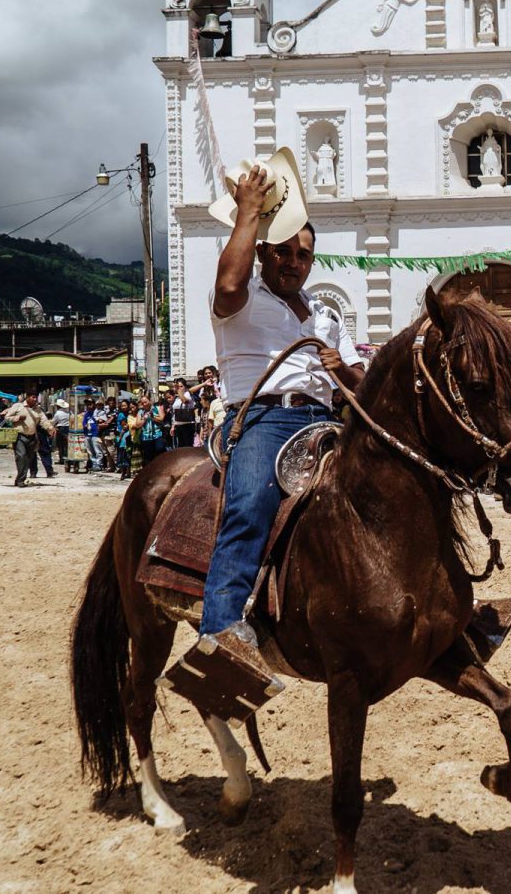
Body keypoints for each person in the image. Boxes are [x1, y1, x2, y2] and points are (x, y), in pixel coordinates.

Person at [169, 163, 366, 710]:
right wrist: (249, 211)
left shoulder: (327, 316)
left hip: (328, 424)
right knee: (251, 503)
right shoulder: (239, 298)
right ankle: (222, 636)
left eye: (303, 255)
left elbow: (363, 385)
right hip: (262, 419)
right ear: (263, 252)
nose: (294, 263)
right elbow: (227, 283)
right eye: (283, 252)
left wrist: (343, 371)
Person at [2, 393, 54, 488]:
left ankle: (19, 478)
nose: (35, 399)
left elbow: (44, 420)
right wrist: (18, 418)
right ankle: (21, 480)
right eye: (33, 397)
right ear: (27, 398)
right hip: (19, 436)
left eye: (36, 398)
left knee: (28, 459)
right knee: (21, 457)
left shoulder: (37, 409)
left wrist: (50, 428)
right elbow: (7, 417)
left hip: (32, 437)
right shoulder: (18, 406)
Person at [170, 380, 197, 450]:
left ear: (185, 387)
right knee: (180, 447)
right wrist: (173, 426)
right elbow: (174, 413)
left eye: (181, 386)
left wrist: (179, 392)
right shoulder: (177, 398)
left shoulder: (187, 394)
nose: (179, 388)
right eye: (177, 387)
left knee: (188, 447)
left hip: (187, 425)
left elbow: (185, 401)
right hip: (178, 425)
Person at [81, 399, 101, 471]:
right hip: (87, 434)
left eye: (90, 404)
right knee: (90, 451)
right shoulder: (86, 414)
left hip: (95, 434)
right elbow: (84, 423)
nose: (89, 406)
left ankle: (99, 465)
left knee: (97, 450)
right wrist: (85, 425)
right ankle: (94, 464)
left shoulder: (97, 413)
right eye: (87, 405)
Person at [52, 399, 71, 468]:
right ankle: (68, 458)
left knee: (60, 445)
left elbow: (53, 422)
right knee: (67, 444)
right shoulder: (68, 412)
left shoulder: (58, 413)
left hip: (61, 429)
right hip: (68, 428)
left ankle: (62, 459)